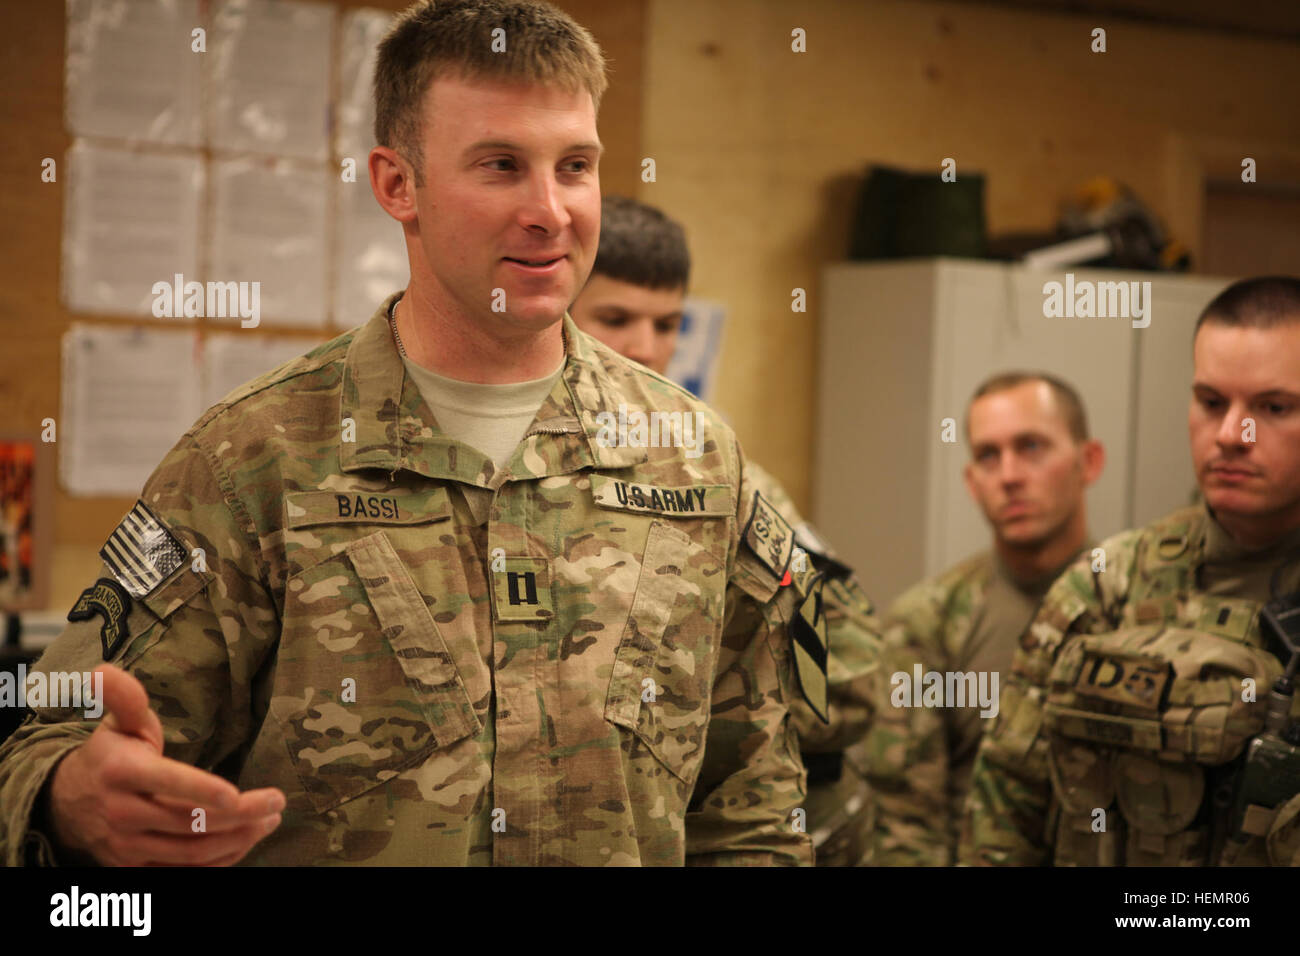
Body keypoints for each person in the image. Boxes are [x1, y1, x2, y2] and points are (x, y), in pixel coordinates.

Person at [0, 0, 816, 867]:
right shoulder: (255, 460)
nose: (551, 210)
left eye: (574, 166)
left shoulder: (695, 458)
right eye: (501, 165)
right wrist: (72, 799)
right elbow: (45, 749)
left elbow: (752, 798)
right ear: (398, 185)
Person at [569, 194, 884, 866]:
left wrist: (695, 704)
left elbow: (852, 675)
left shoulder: (723, 480)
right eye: (616, 319)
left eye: (667, 323)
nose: (645, 349)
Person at [962, 276, 1300, 867]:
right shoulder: (1107, 585)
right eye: (1211, 402)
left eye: (1273, 408)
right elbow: (1004, 814)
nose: (1229, 435)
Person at [863, 372, 1105, 865]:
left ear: (1089, 462)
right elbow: (908, 825)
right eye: (988, 456)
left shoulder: (1138, 603)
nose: (1010, 474)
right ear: (973, 483)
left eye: (1031, 447)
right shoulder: (927, 622)